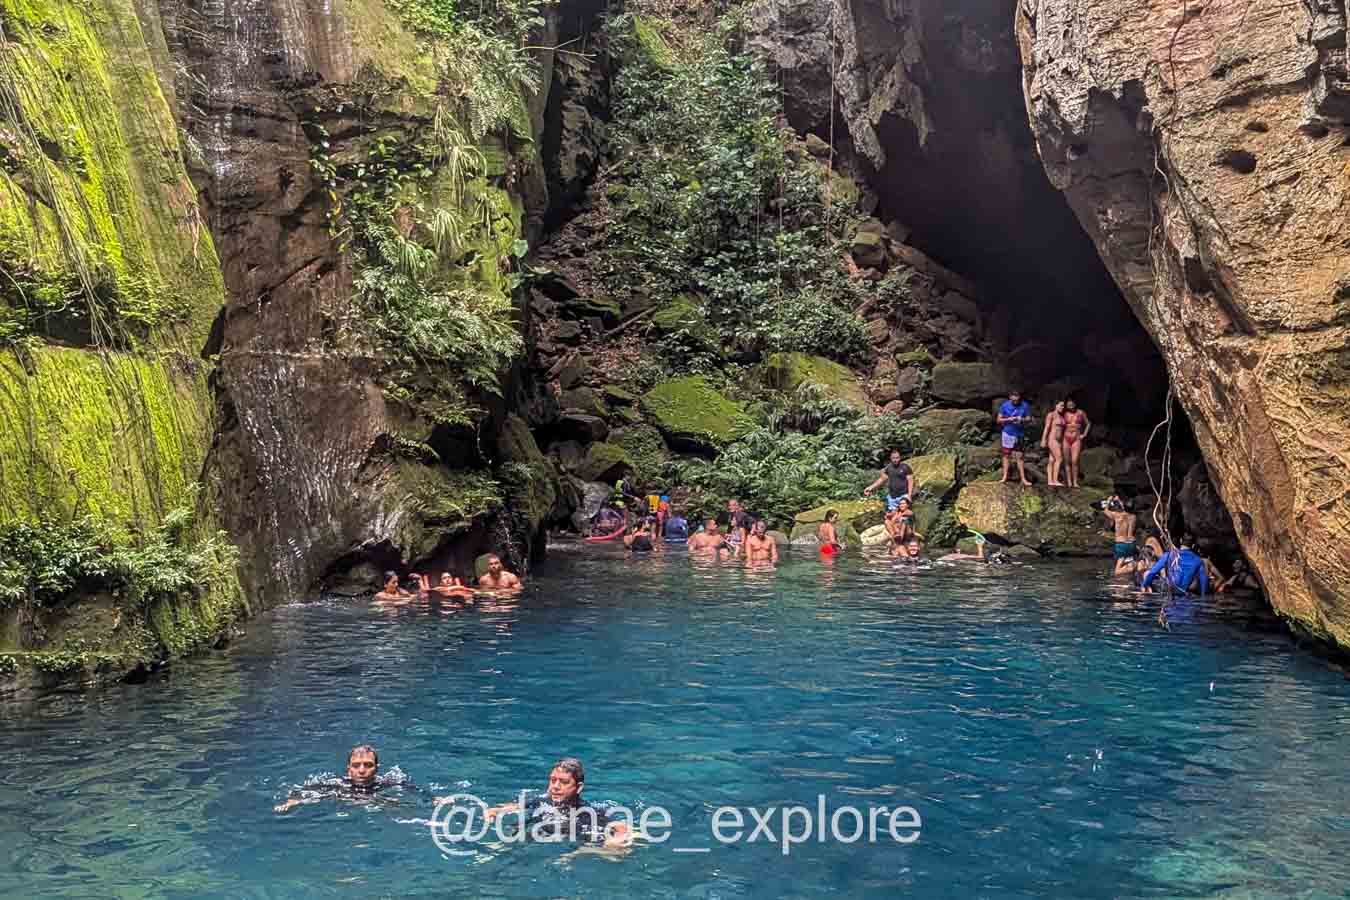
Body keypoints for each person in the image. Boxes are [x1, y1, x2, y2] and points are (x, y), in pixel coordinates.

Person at [481, 758, 630, 849]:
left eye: (564, 782)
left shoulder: (587, 813)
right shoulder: (541, 801)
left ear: (578, 788)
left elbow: (621, 829)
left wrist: (594, 849)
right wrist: (492, 812)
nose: (555, 786)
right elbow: (514, 806)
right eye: (553, 780)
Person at [274, 745, 405, 813]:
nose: (361, 770)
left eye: (368, 765)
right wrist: (291, 802)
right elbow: (302, 791)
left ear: (377, 768)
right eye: (356, 765)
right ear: (349, 769)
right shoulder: (336, 784)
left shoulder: (391, 784)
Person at [1140, 533, 1210, 595]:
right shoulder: (1198, 560)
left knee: (1147, 573)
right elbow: (1204, 583)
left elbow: (1152, 572)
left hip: (1168, 590)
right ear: (1193, 545)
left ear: (1181, 541)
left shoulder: (1169, 555)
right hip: (1183, 591)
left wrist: (1144, 585)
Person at [997, 390, 1034, 486]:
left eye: (1017, 398)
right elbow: (998, 420)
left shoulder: (1025, 405)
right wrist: (1008, 419)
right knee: (1006, 455)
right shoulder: (1004, 405)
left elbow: (1029, 418)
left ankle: (1023, 479)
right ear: (1010, 397)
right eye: (1013, 398)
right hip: (1008, 433)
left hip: (1019, 434)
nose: (1015, 400)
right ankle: (1005, 477)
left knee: (1020, 456)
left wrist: (1022, 419)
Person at [1099, 495, 1139, 576]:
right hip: (1132, 543)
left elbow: (1105, 510)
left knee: (1118, 569)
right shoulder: (1134, 516)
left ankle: (1120, 583)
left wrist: (1109, 500)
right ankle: (1131, 573)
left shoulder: (1117, 515)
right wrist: (1120, 500)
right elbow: (1126, 507)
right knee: (1129, 562)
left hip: (1121, 544)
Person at [1062, 397, 1092, 488]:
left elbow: (1088, 423)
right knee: (1067, 461)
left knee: (1074, 461)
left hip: (1076, 438)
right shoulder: (1064, 413)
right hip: (1066, 438)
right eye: (1068, 403)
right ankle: (1069, 482)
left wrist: (1084, 434)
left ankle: (1075, 482)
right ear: (1066, 405)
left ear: (1075, 404)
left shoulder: (1080, 412)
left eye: (1072, 403)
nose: (1070, 405)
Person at [1040, 400, 1068, 487]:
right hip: (1052, 439)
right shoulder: (1051, 415)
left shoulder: (1062, 416)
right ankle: (1055, 480)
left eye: (1063, 406)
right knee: (1059, 459)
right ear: (1056, 405)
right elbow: (1047, 427)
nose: (1062, 407)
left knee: (1052, 460)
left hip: (1059, 441)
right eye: (1061, 405)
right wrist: (1043, 439)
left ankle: (1050, 480)